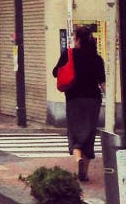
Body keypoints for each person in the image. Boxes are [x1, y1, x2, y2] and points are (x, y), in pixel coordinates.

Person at [52, 25, 105, 182]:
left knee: (75, 133)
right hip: (93, 100)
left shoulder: (68, 55)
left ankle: (78, 159)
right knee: (89, 135)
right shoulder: (97, 58)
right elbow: (102, 82)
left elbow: (55, 72)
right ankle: (85, 173)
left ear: (77, 39)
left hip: (74, 99)